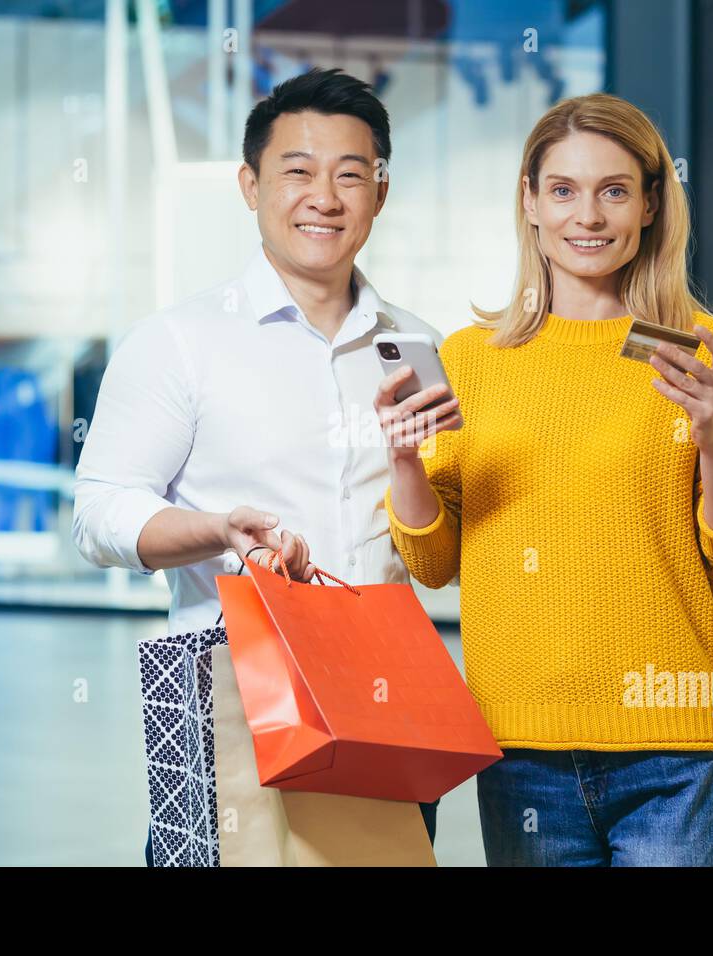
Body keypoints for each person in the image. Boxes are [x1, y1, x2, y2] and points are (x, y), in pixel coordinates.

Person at [376, 92, 713, 866]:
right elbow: (432, 565)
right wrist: (403, 461)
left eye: (614, 191)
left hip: (675, 751)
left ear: (652, 204)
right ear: (529, 202)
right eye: (563, 190)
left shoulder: (702, 351)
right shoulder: (471, 357)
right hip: (520, 750)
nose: (587, 216)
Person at [72, 68, 444, 865]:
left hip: (385, 703)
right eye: (298, 171)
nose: (326, 196)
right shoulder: (178, 342)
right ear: (250, 185)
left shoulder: (417, 347)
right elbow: (99, 513)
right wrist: (213, 530)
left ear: (381, 192)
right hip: (227, 699)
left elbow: (438, 540)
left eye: (352, 174)